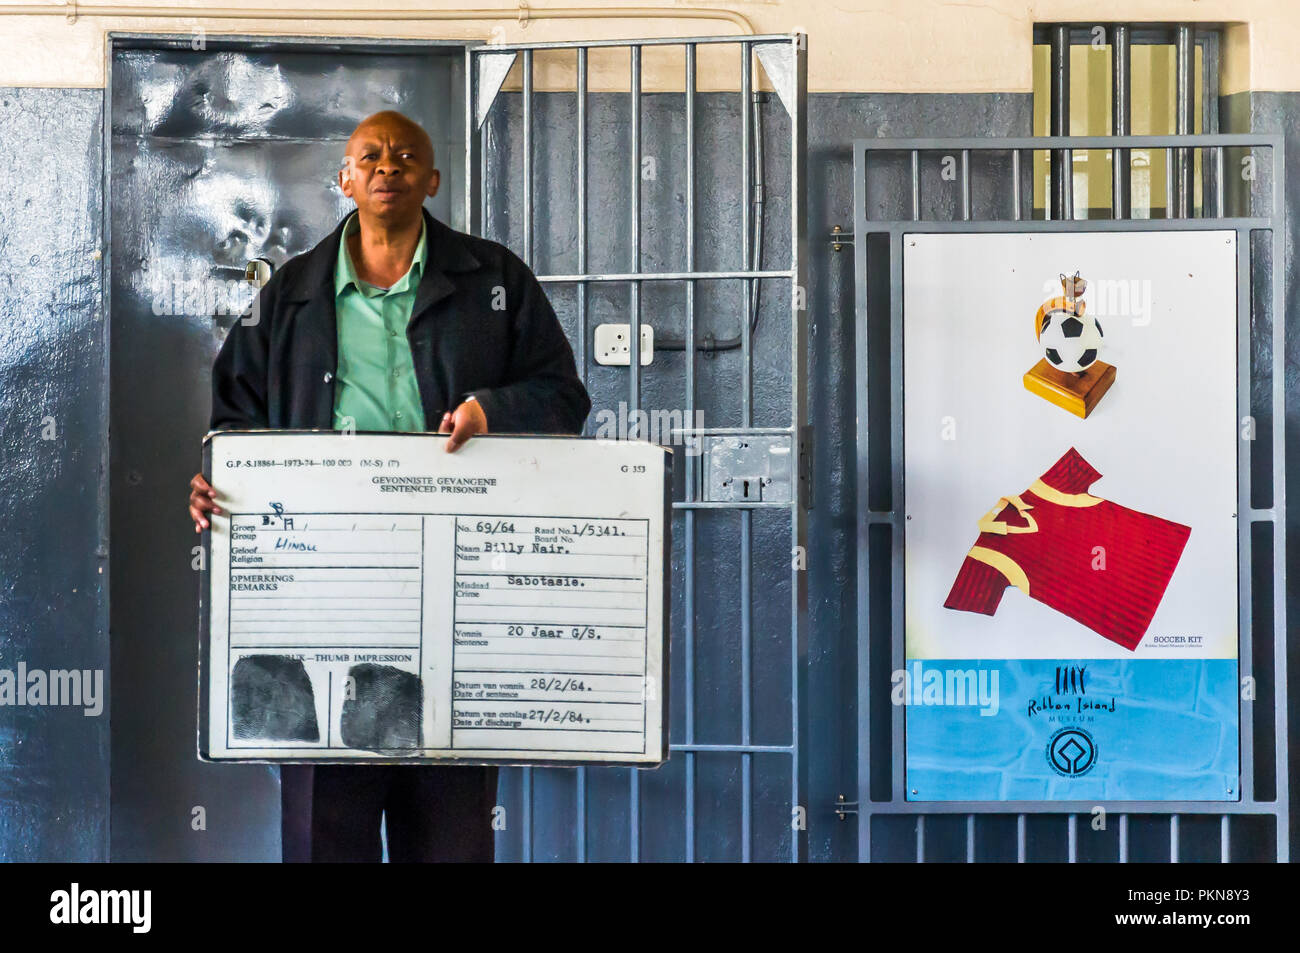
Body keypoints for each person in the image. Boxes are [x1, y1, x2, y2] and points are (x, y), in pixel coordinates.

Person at [187, 110, 591, 862]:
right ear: (345, 179)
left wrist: (490, 409)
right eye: (368, 155)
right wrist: (217, 483)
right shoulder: (288, 294)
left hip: (457, 595)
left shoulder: (494, 280)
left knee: (450, 832)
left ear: (432, 180)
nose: (387, 165)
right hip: (321, 601)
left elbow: (564, 398)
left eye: (407, 154)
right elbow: (233, 425)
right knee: (323, 827)